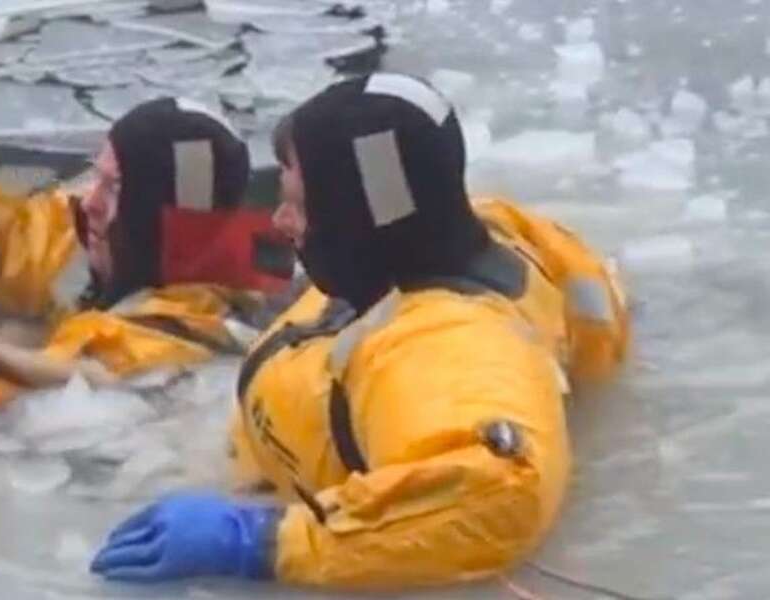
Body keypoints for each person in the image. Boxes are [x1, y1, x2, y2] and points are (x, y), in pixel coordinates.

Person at [89, 72, 631, 590]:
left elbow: (500, 491)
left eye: (299, 204)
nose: (278, 221)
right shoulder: (483, 228)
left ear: (359, 216)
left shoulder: (447, 350)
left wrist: (262, 542)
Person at [0, 97, 295, 423]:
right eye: (97, 177)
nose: (91, 201)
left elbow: (16, 394)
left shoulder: (173, 333)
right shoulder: (114, 239)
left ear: (163, 217)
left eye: (115, 187)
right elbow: (26, 246)